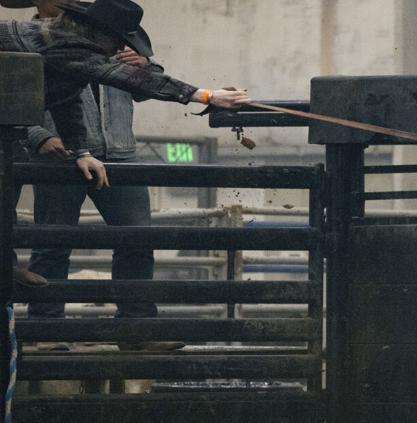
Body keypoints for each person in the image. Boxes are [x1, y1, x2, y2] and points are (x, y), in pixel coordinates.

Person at [0, 0, 250, 285]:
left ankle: (8, 272)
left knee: (11, 197)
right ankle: (9, 275)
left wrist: (80, 150)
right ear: (101, 34)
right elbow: (126, 78)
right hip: (29, 142)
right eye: (117, 41)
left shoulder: (61, 43)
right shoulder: (72, 45)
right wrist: (206, 95)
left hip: (101, 149)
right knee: (18, 208)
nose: (118, 50)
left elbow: (64, 100)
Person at [13, 0, 169, 344]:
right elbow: (11, 94)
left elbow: (149, 87)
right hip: (61, 154)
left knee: (138, 240)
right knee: (53, 244)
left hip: (119, 152)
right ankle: (46, 330)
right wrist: (39, 136)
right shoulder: (25, 41)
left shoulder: (108, 35)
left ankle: (137, 328)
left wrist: (146, 66)